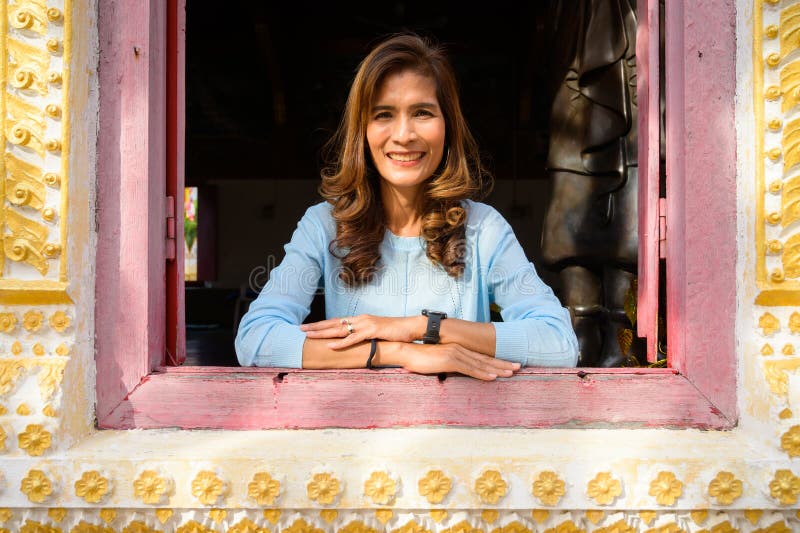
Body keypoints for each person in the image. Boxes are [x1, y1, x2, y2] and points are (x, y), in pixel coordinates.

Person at [235, 34, 578, 380]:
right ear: (362, 131)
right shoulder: (325, 224)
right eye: (384, 114)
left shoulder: (483, 229)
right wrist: (395, 350)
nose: (403, 135)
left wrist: (424, 327)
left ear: (448, 126)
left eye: (422, 113)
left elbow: (559, 342)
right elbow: (255, 338)